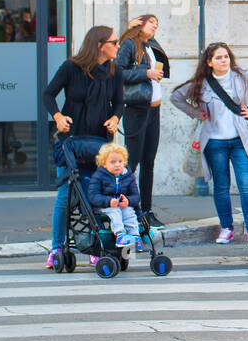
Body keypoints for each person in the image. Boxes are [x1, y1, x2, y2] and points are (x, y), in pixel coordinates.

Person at [171, 42, 248, 244]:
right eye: (218, 57)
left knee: (247, 185)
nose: (223, 60)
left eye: (226, 56)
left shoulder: (242, 75)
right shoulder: (202, 83)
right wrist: (196, 113)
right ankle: (226, 228)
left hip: (240, 140)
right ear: (209, 62)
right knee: (221, 186)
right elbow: (176, 97)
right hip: (214, 142)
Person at [42, 26, 125, 268]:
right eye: (114, 42)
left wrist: (115, 118)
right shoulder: (71, 67)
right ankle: (57, 247)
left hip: (100, 143)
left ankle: (93, 245)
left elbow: (119, 102)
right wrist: (57, 116)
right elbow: (48, 94)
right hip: (71, 141)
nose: (118, 46)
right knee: (66, 195)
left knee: (95, 195)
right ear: (99, 45)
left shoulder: (114, 71)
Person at [116, 13, 171, 228]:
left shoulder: (149, 46)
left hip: (153, 110)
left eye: (157, 24)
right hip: (136, 109)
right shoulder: (130, 43)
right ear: (140, 23)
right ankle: (129, 208)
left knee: (149, 161)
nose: (154, 27)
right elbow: (118, 72)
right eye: (151, 23)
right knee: (133, 162)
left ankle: (147, 210)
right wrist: (146, 72)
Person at [88, 143, 142, 247]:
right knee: (115, 211)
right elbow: (93, 196)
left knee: (129, 211)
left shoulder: (128, 176)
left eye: (120, 161)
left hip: (122, 204)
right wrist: (108, 201)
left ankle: (134, 235)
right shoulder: (99, 176)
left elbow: (136, 196)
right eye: (113, 162)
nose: (117, 165)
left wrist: (129, 201)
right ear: (104, 164)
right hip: (105, 206)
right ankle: (120, 235)